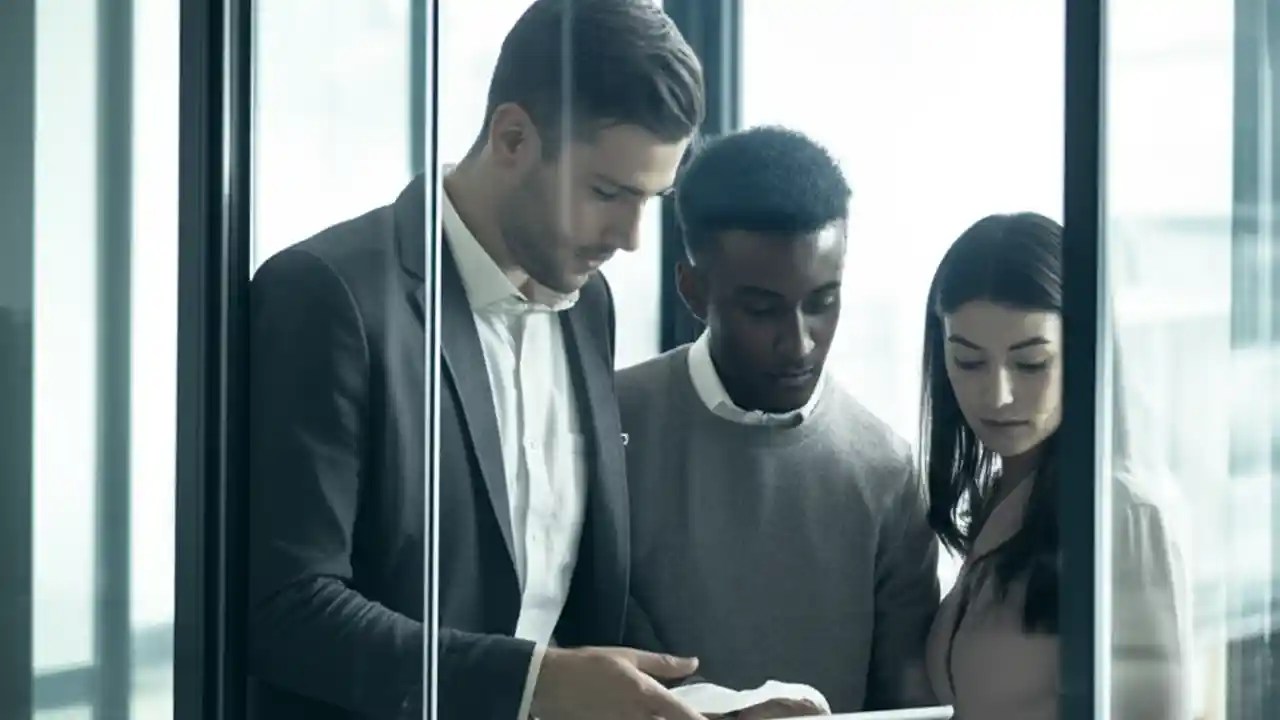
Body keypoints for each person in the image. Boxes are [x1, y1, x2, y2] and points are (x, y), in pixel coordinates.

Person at [246, 1, 707, 718]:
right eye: (607, 192)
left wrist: (706, 703)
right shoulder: (327, 297)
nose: (631, 237)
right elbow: (289, 610)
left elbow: (566, 598)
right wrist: (535, 684)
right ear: (513, 137)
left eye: (652, 199)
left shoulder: (590, 304)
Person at [617, 126, 941, 717]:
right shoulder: (607, 428)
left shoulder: (885, 473)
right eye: (762, 309)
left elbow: (906, 705)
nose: (799, 344)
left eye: (823, 301)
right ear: (693, 290)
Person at [920, 213, 1189, 719]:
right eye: (970, 362)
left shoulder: (1125, 517)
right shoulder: (997, 502)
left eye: (1031, 363)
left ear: (1083, 355)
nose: (998, 396)